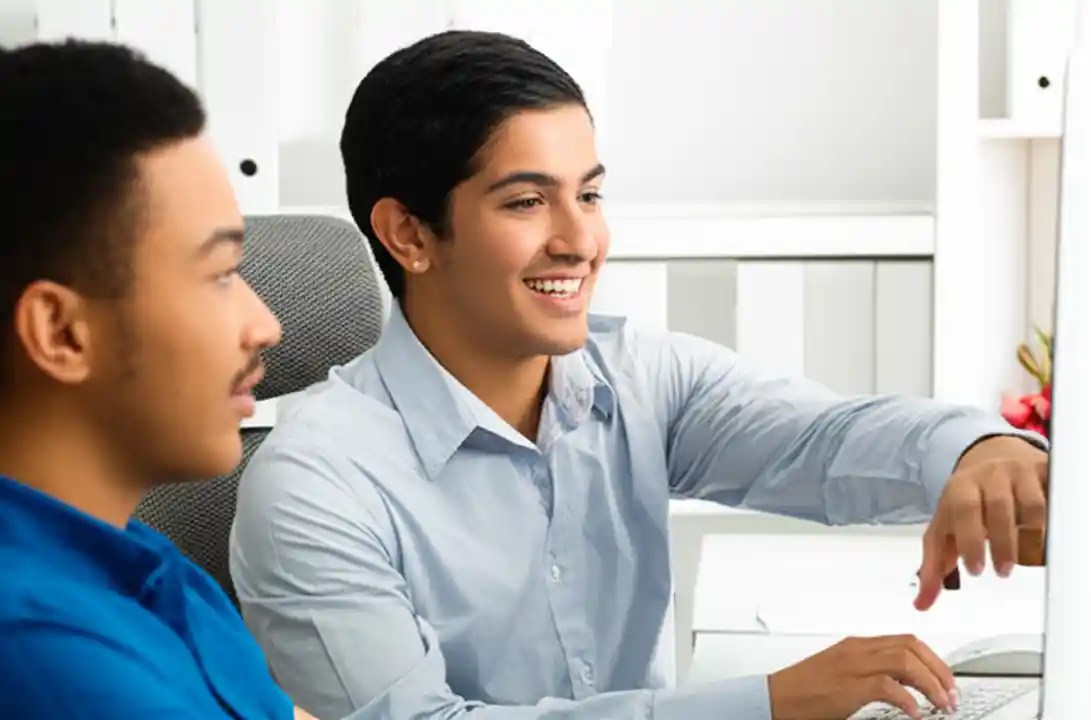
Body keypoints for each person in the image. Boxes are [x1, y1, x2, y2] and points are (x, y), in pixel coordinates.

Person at [229, 30, 1049, 720]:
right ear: (409, 234)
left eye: (589, 195)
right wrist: (766, 705)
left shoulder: (639, 379)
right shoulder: (315, 484)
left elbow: (825, 440)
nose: (580, 240)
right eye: (526, 203)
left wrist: (975, 450)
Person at [0, 40, 316, 720]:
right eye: (221, 275)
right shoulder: (45, 659)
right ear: (61, 333)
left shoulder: (141, 563)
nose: (265, 326)